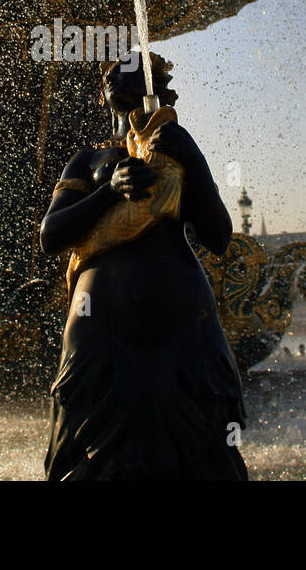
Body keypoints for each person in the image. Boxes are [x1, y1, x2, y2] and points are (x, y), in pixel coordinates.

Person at [40, 52, 249, 480]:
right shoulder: (87, 160)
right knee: (91, 448)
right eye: (111, 72)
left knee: (203, 445)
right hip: (99, 327)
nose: (118, 71)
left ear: (158, 88)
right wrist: (108, 192)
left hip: (185, 321)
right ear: (103, 94)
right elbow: (50, 236)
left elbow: (218, 236)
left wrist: (196, 162)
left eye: (133, 68)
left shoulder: (174, 148)